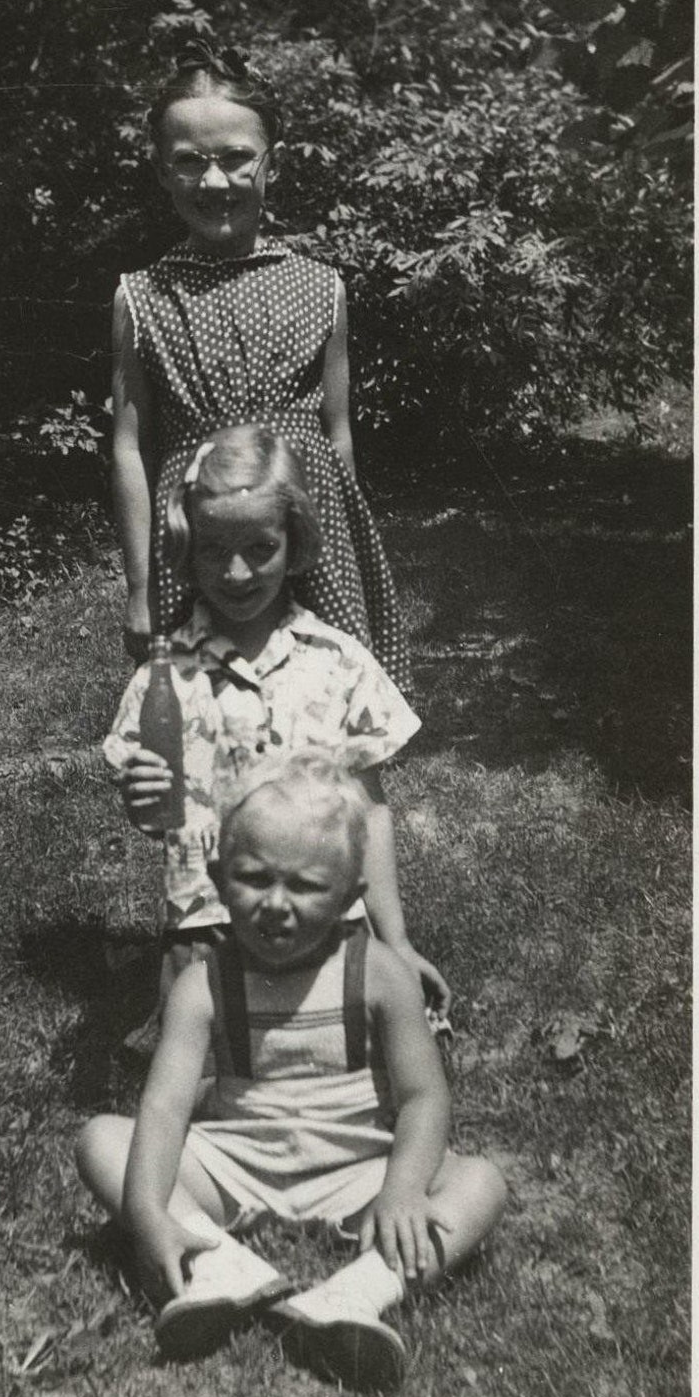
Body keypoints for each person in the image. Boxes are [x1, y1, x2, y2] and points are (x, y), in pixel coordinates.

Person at [77, 756, 507, 1390]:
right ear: (221, 880)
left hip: (357, 1167)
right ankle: (215, 1262)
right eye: (254, 879)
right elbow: (165, 1109)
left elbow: (422, 1098)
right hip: (238, 1162)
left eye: (305, 886)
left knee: (481, 1183)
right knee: (102, 1140)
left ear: (349, 897)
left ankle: (357, 1295)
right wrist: (145, 1211)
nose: (276, 905)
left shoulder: (380, 972)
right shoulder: (205, 986)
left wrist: (403, 1189)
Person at [103, 423, 450, 1018]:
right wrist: (140, 801)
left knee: (340, 1081)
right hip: (206, 930)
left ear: (295, 543)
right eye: (214, 550)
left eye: (259, 548)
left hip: (326, 920)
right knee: (208, 1090)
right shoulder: (164, 679)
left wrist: (396, 943)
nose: (236, 573)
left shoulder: (339, 664)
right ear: (187, 551)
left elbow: (370, 810)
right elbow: (156, 817)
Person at [111, 36, 413, 694]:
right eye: (189, 162)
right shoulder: (142, 295)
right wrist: (140, 585)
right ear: (162, 170)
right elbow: (131, 446)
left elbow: (338, 438)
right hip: (199, 545)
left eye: (236, 159)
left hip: (302, 533)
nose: (214, 181)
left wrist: (343, 555)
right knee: (198, 713)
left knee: (321, 708)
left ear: (270, 164)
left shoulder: (320, 286)